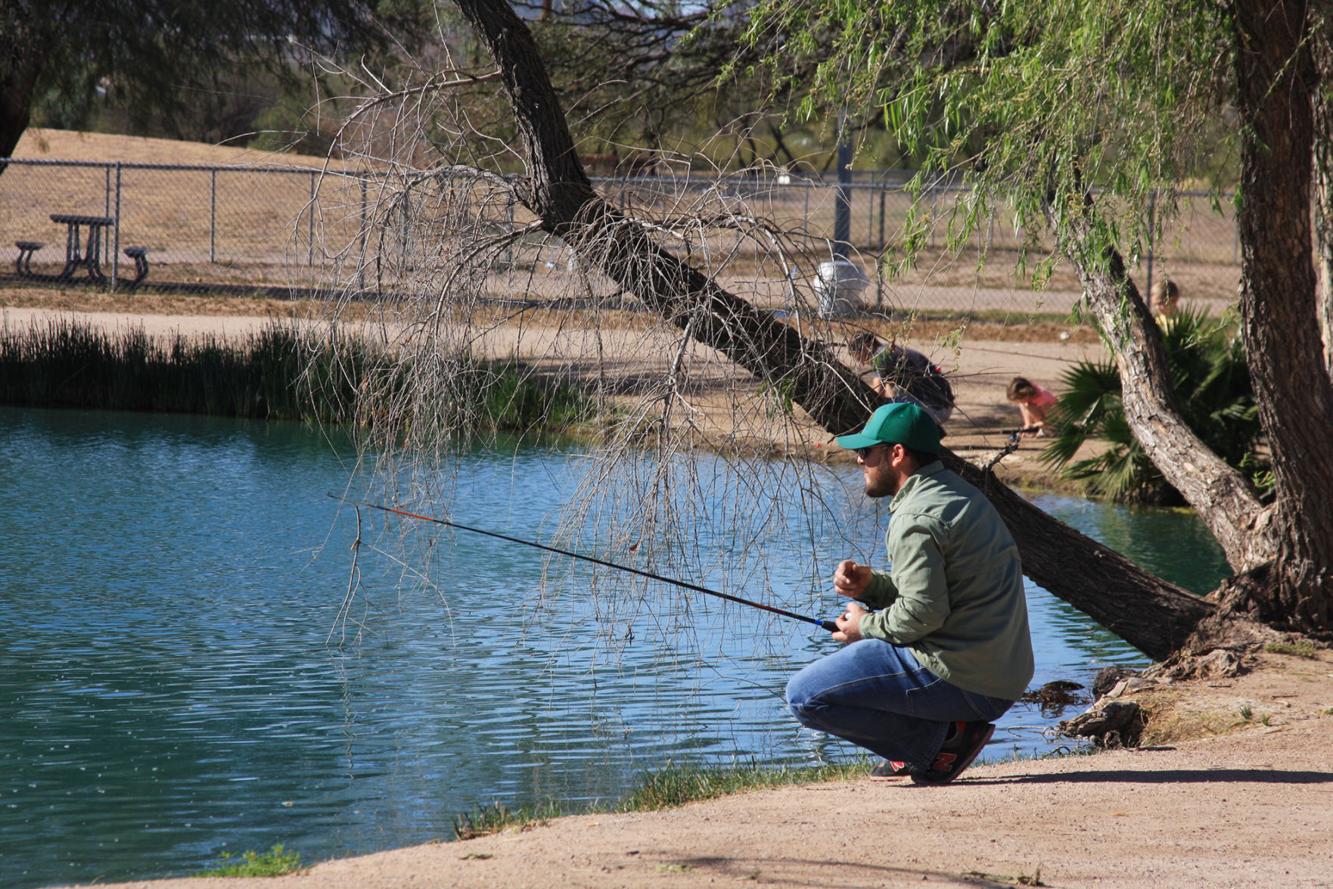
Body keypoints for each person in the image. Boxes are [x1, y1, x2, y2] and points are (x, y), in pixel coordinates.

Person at [786, 402, 1034, 784]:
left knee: (804, 695)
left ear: (896, 453)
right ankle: (916, 744)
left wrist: (864, 627)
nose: (858, 460)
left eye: (866, 451)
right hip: (1002, 678)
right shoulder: (957, 493)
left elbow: (923, 614)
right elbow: (942, 594)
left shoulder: (914, 517)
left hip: (965, 681)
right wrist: (873, 586)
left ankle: (938, 743)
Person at [846, 332, 955, 425]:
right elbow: (886, 389)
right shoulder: (888, 351)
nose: (858, 360)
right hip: (942, 405)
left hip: (936, 409)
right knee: (889, 402)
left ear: (866, 346)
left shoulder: (881, 356)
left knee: (884, 411)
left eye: (855, 354)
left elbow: (876, 392)